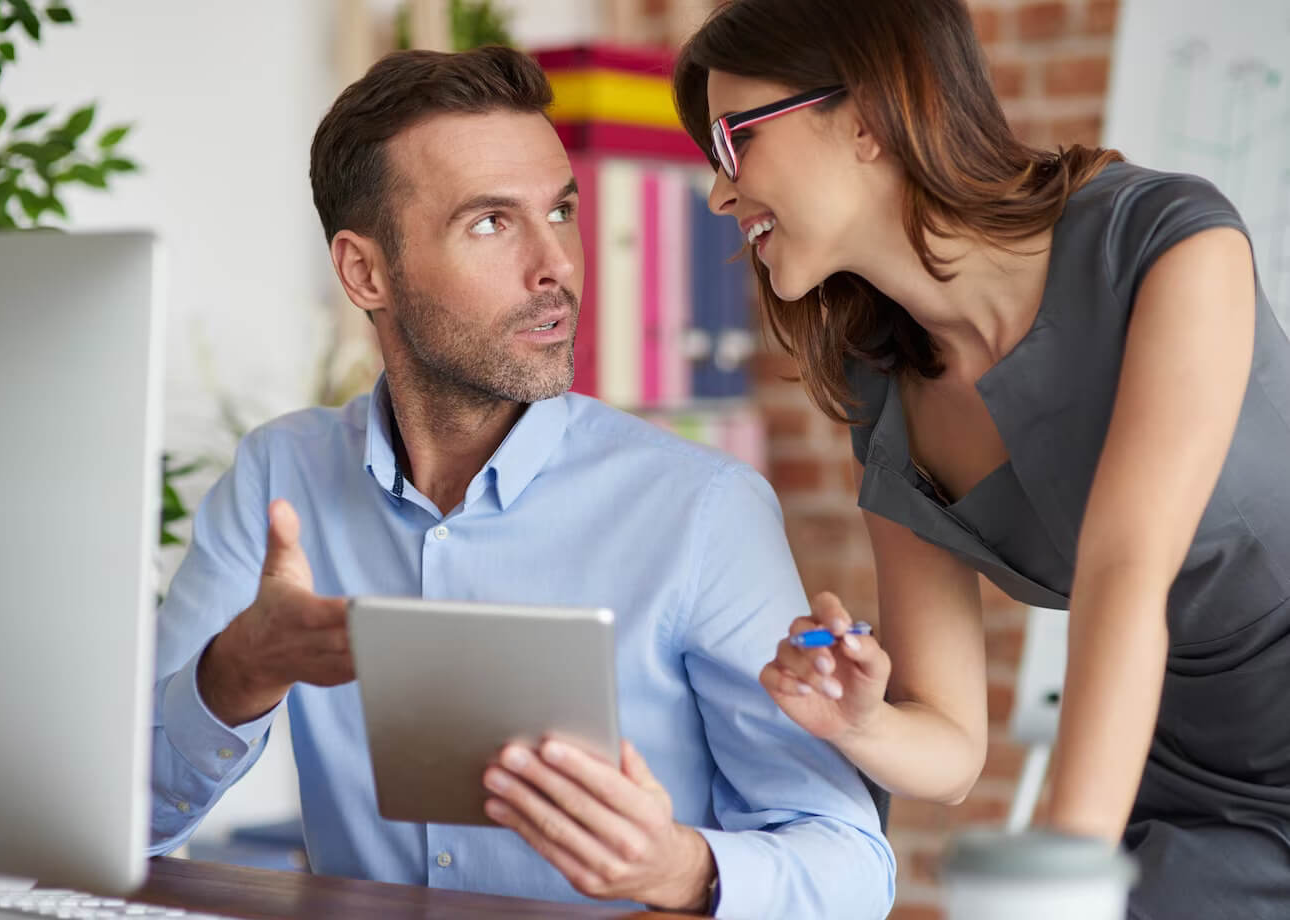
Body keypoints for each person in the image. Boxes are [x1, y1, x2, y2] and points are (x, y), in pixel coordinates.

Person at [147, 45, 894, 920]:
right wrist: (235, 673)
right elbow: (117, 821)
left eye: (561, 210)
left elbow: (852, 867)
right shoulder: (280, 479)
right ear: (365, 273)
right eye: (492, 223)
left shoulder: (702, 509)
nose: (558, 267)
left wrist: (681, 870)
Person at [673, 1, 1290, 917]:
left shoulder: (1166, 241)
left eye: (734, 143)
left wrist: (1069, 864)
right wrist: (866, 720)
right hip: (1190, 800)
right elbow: (954, 746)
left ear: (868, 119)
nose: (720, 194)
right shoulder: (881, 387)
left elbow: (1128, 571)